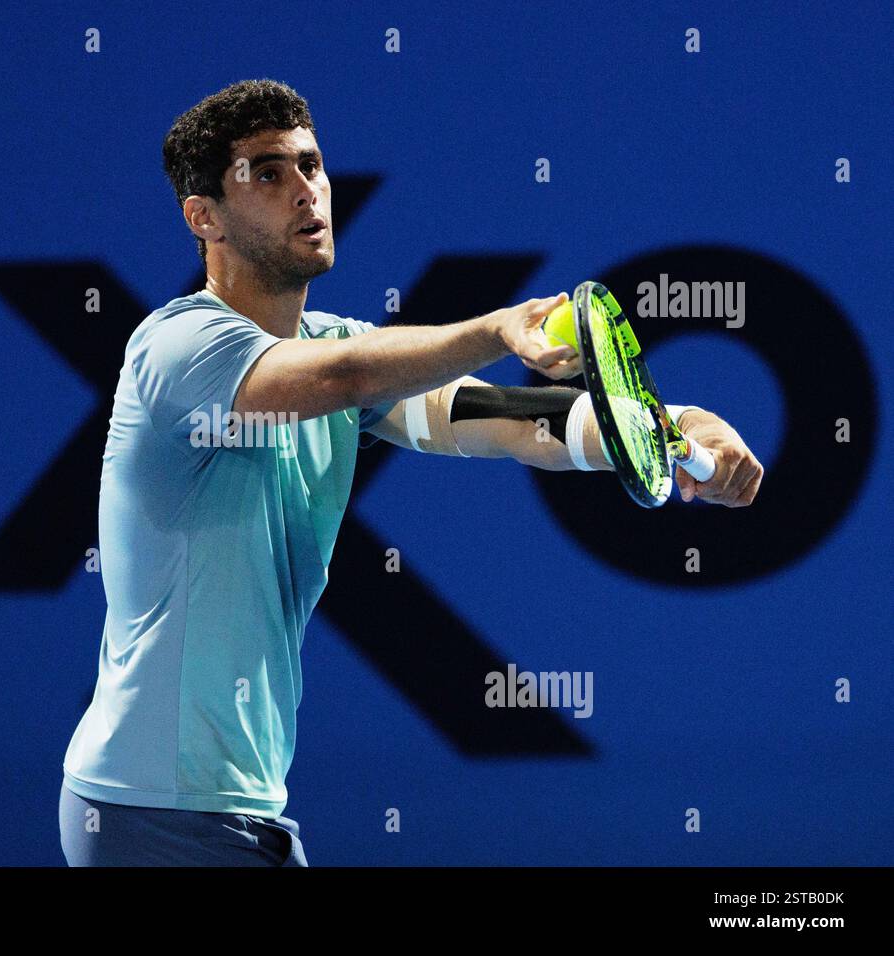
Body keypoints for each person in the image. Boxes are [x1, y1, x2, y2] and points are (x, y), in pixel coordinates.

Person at [59, 79, 763, 866]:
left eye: (311, 165)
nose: (305, 190)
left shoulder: (332, 345)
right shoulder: (177, 346)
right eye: (266, 172)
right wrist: (497, 325)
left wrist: (671, 429)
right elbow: (345, 378)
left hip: (225, 809)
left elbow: (514, 422)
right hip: (152, 813)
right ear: (203, 217)